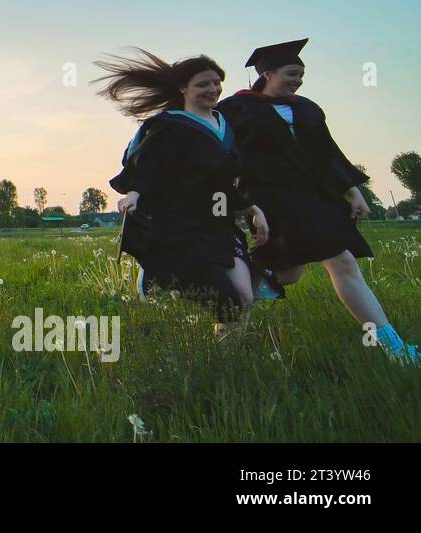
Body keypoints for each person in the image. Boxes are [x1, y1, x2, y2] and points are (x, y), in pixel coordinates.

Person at [217, 39, 418, 363]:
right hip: (274, 200)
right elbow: (217, 148)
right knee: (317, 267)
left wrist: (353, 191)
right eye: (292, 73)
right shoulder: (237, 108)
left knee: (315, 268)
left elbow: (328, 155)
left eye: (301, 74)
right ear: (267, 73)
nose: (298, 80)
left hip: (316, 198)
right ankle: (394, 350)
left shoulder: (306, 108)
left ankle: (239, 292)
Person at [94, 49, 269, 325]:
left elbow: (223, 179)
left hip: (221, 225)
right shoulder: (169, 126)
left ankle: (227, 359)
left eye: (216, 82)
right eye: (203, 84)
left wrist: (253, 208)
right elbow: (147, 165)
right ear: (183, 88)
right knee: (227, 299)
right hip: (185, 228)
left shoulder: (224, 126)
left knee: (245, 297)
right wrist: (134, 193)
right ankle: (155, 275)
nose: (213, 89)